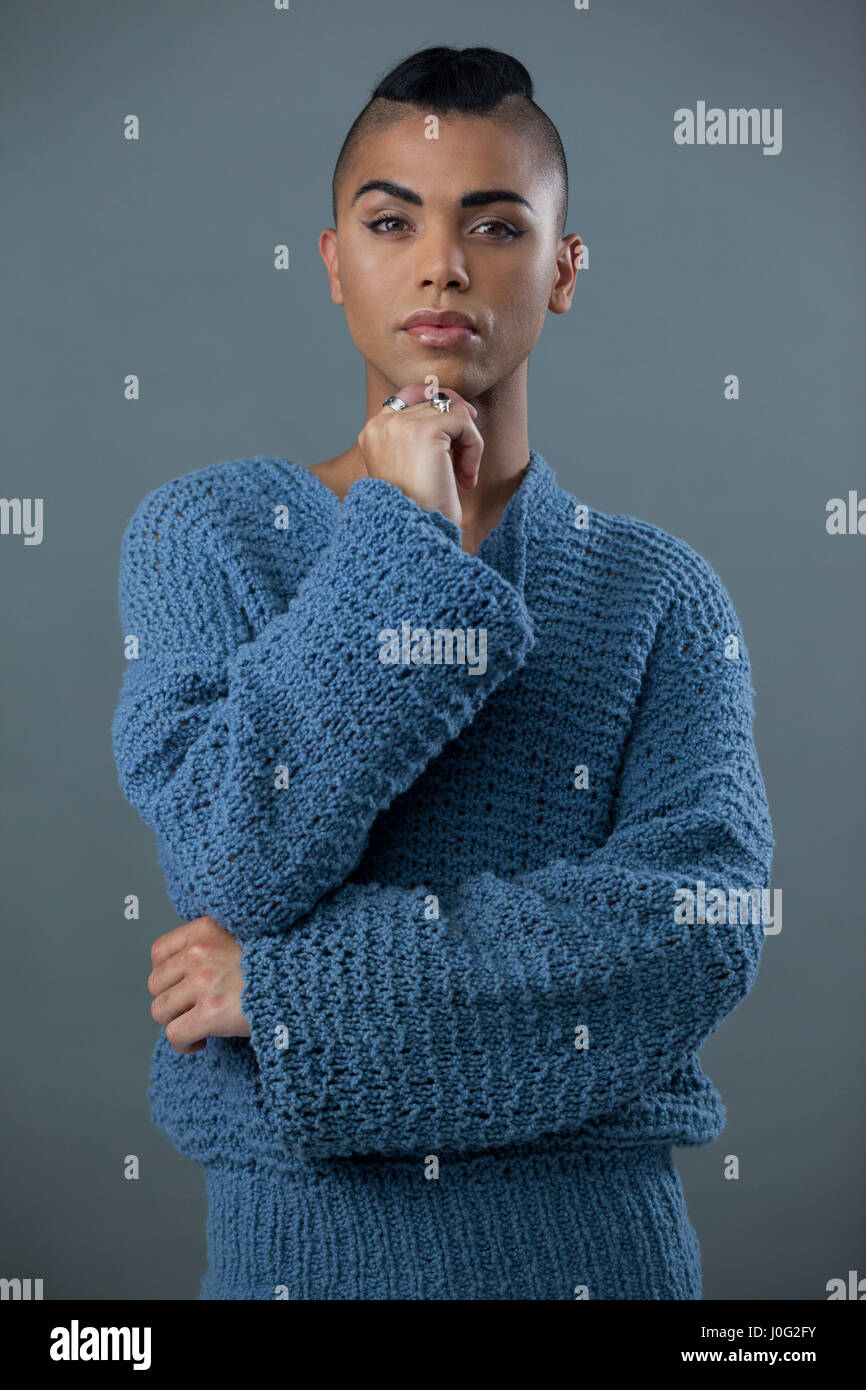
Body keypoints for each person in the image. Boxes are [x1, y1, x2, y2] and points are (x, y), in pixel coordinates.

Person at [111, 45, 775, 1300]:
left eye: (495, 223)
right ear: (331, 262)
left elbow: (698, 928)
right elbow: (230, 856)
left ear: (564, 269)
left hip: (599, 1259)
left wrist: (287, 983)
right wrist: (402, 544)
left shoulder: (657, 591)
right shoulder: (203, 536)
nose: (441, 265)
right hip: (298, 1258)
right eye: (391, 220)